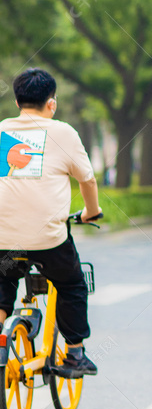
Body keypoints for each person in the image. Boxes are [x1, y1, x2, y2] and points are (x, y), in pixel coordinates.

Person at [0, 68, 102, 377]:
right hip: (48, 241)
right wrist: (90, 212)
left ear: (18, 102)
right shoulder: (63, 132)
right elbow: (87, 179)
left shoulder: (3, 130)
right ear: (51, 104)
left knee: (3, 283)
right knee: (71, 285)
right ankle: (74, 354)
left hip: (3, 238)